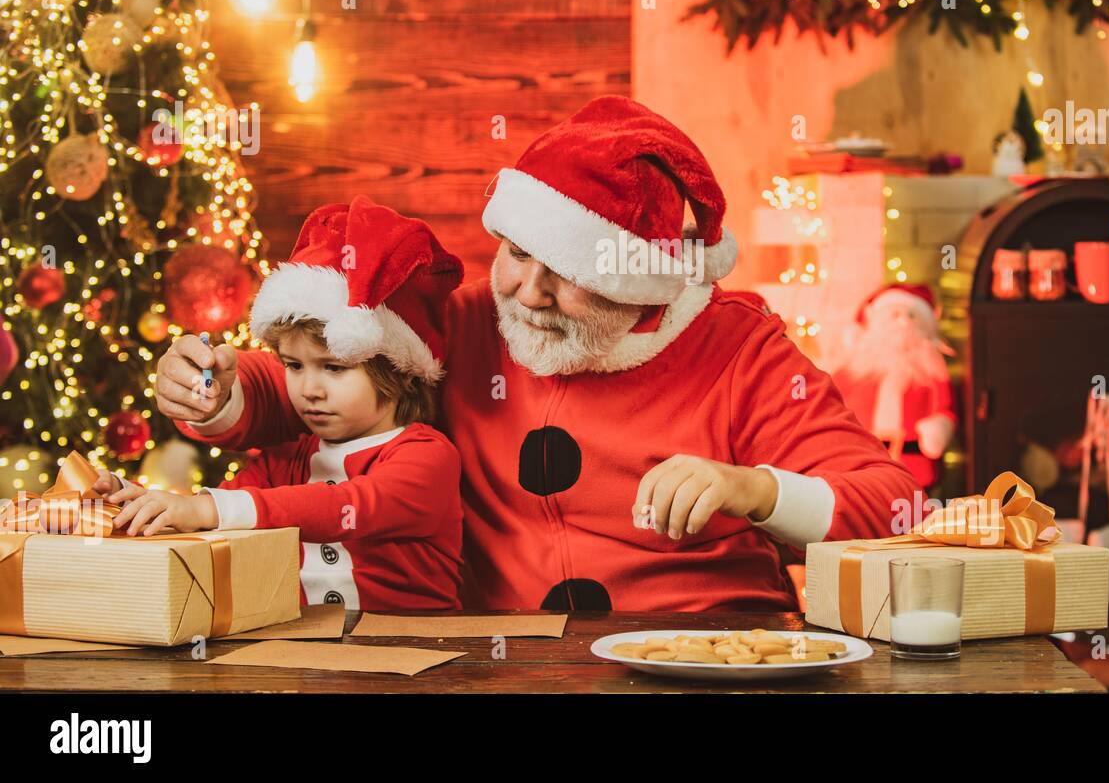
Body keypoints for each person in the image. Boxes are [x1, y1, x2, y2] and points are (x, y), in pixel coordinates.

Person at [155, 95, 920, 612]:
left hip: (701, 659)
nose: (526, 291)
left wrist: (754, 488)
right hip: (504, 667)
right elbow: (338, 360)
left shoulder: (738, 351)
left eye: (571, 275)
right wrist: (223, 392)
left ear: (642, 285)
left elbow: (890, 503)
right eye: (517, 251)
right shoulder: (469, 322)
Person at [100, 196, 465, 612]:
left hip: (415, 653)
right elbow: (217, 512)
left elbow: (344, 506)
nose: (309, 389)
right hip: (311, 655)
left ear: (398, 372)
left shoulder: (427, 457)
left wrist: (203, 508)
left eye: (334, 368)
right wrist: (137, 505)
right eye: (294, 365)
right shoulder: (289, 457)